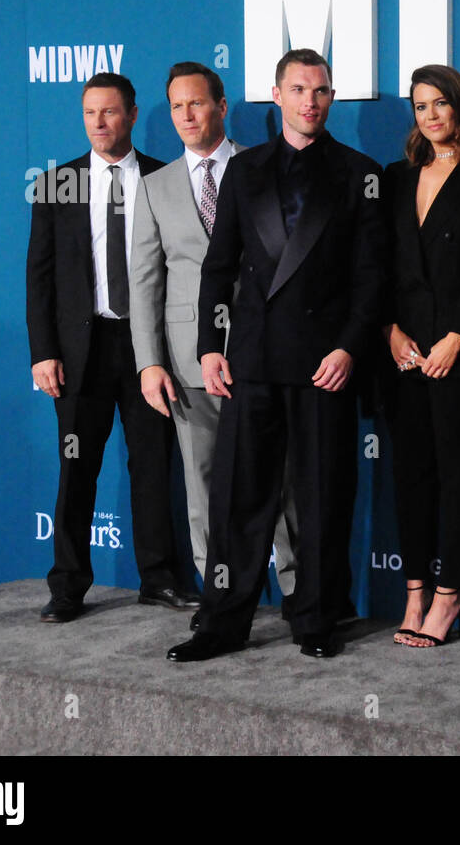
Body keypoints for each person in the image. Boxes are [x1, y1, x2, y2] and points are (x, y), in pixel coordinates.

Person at [165, 48, 384, 662]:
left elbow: (372, 279)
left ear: (331, 98)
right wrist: (210, 346)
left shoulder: (361, 173)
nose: (309, 101)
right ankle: (221, 624)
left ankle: (316, 618)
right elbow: (219, 267)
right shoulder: (246, 169)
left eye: (320, 91)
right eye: (298, 90)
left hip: (323, 366)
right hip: (251, 361)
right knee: (238, 501)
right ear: (277, 94)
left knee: (320, 501)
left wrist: (347, 347)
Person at [130, 62, 298, 627]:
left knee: (278, 479)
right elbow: (145, 280)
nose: (186, 116)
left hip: (261, 350)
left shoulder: (262, 168)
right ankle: (219, 596)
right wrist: (150, 362)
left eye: (196, 103)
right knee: (203, 487)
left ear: (222, 106)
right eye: (176, 106)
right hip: (185, 361)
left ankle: (297, 593)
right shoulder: (153, 187)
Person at [27, 72, 196, 621]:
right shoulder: (58, 183)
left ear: (130, 113)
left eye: (109, 112)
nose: (99, 123)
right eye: (89, 114)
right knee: (77, 469)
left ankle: (159, 578)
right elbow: (40, 277)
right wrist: (43, 352)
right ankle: (68, 586)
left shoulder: (163, 177)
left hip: (147, 345)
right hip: (81, 348)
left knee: (154, 464)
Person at [381, 65, 460, 647]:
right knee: (411, 474)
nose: (430, 116)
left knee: (457, 475)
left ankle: (450, 593)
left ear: (459, 108)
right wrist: (390, 331)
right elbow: (378, 266)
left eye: (439, 104)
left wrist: (457, 337)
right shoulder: (394, 178)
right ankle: (414, 588)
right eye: (420, 107)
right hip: (403, 351)